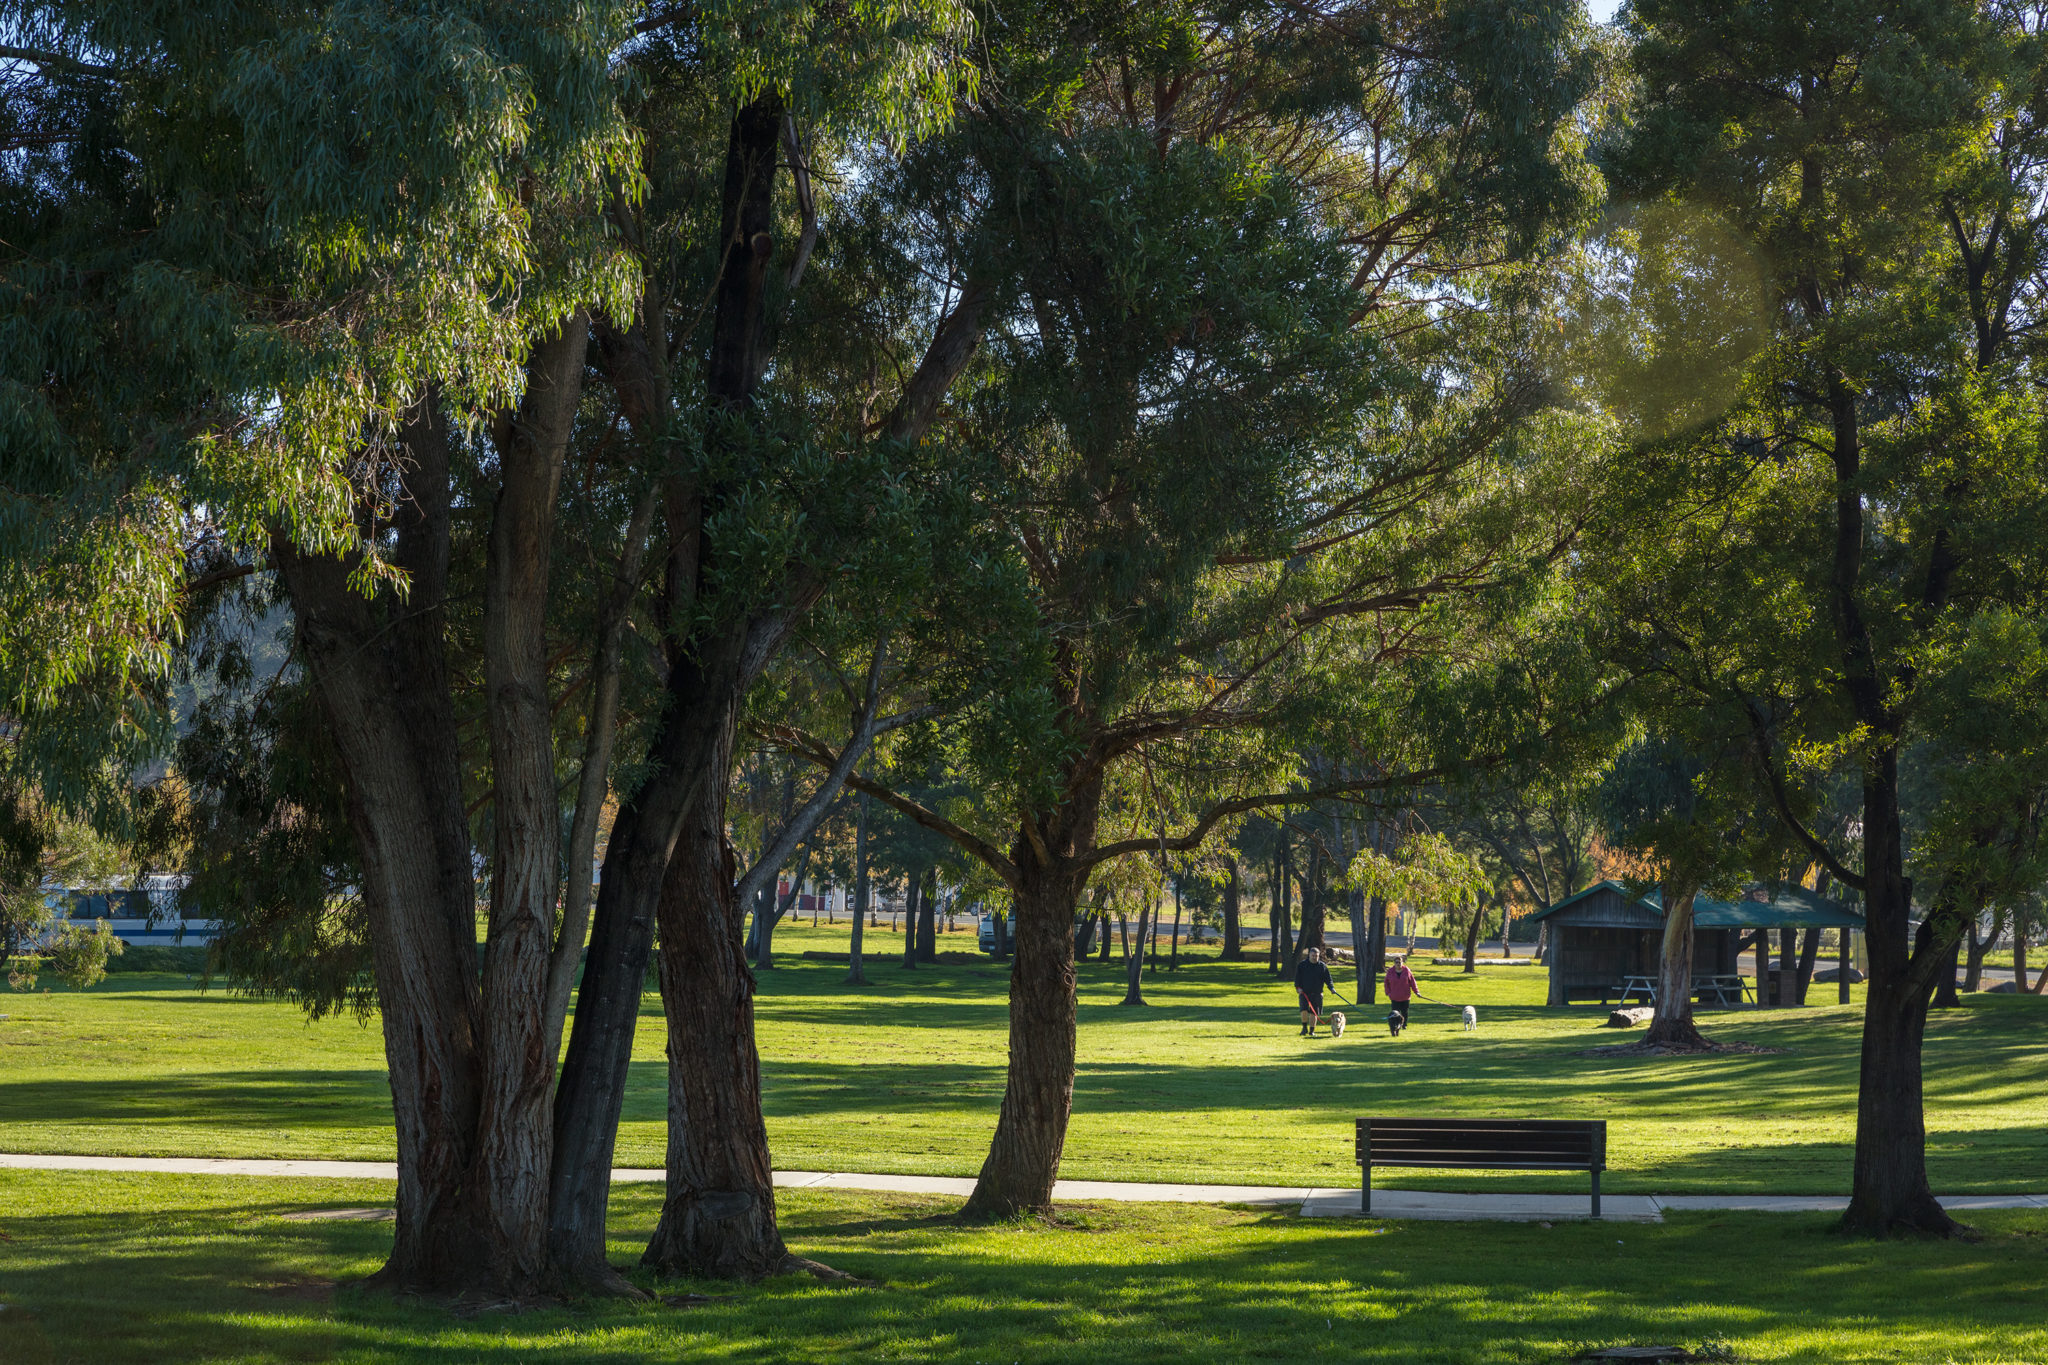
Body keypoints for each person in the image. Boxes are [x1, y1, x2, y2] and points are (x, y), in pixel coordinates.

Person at [1295, 947, 1336, 1037]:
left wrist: (1332, 988)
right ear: (1309, 955)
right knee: (1304, 1010)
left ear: (1319, 956)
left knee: (1314, 1013)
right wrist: (1298, 988)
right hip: (1304, 993)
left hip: (1317, 993)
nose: (1314, 957)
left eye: (1316, 956)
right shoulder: (1302, 965)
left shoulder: (1322, 966)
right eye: (1313, 955)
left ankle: (1312, 1031)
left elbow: (1328, 979)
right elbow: (1297, 978)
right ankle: (1304, 1028)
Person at [1384, 954, 1418, 1035]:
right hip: (1394, 996)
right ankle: (1395, 1026)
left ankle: (1404, 1025)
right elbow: (1386, 982)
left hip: (1405, 996)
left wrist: (1416, 991)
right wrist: (1388, 992)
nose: (1398, 964)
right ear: (1394, 963)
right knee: (1395, 1013)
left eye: (1399, 962)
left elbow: (1412, 981)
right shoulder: (1390, 971)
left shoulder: (1407, 970)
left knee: (1404, 1012)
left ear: (1402, 962)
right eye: (1396, 962)